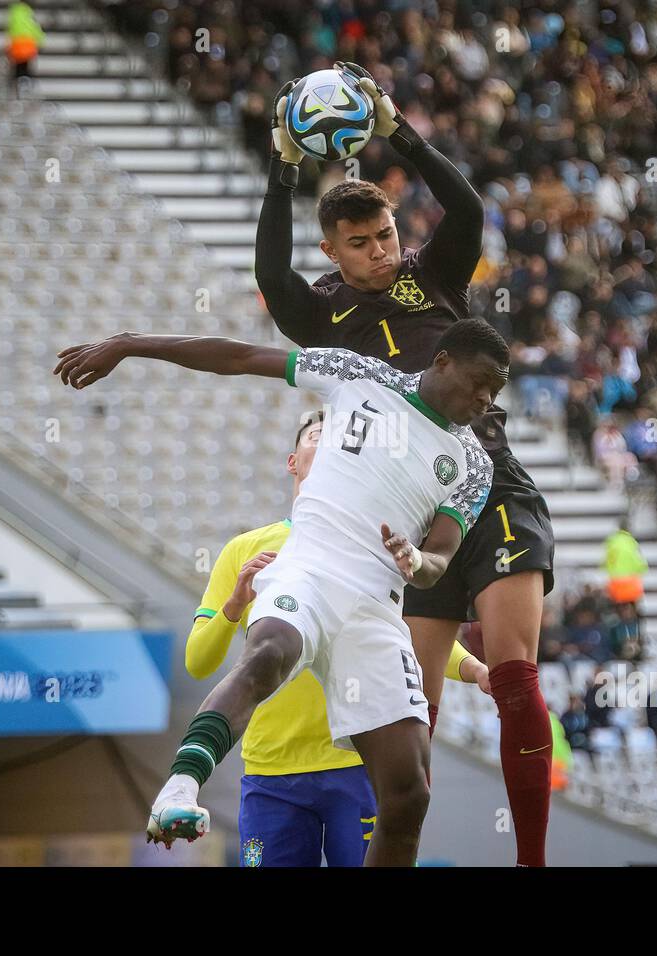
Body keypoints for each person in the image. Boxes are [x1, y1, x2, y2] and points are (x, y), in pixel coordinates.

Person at [54, 320, 504, 866]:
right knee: (269, 652)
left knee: (410, 793)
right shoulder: (360, 376)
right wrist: (129, 345)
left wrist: (417, 560)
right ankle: (179, 787)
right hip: (308, 572)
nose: (486, 399)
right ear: (443, 361)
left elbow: (439, 559)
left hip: (374, 609)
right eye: (480, 381)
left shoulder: (474, 466)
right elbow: (239, 356)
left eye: (496, 392)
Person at [254, 63, 557, 865]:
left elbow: (466, 206)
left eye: (386, 234)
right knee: (406, 706)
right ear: (334, 250)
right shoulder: (321, 313)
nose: (382, 252)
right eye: (361, 244)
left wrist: (394, 128)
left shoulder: (434, 274)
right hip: (402, 515)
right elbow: (268, 275)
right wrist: (283, 166)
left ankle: (532, 860)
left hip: (484, 479)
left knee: (513, 670)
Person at [188, 411, 489, 866]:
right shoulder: (244, 549)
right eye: (316, 435)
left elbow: (403, 631)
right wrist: (233, 606)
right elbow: (197, 661)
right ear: (293, 461)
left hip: (355, 759)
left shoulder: (372, 544)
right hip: (272, 769)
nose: (328, 442)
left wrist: (474, 668)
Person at [602, 518, 648, 607]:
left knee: (618, 606)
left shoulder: (612, 541)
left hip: (616, 580)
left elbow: (608, 560)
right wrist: (642, 568)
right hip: (631, 580)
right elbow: (637, 559)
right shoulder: (631, 541)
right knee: (632, 607)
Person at [6, 1, 44, 95]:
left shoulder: (14, 10)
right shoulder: (28, 11)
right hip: (27, 43)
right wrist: (40, 39)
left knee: (18, 66)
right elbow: (34, 26)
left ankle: (16, 84)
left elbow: (10, 28)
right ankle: (24, 83)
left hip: (17, 43)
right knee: (25, 66)